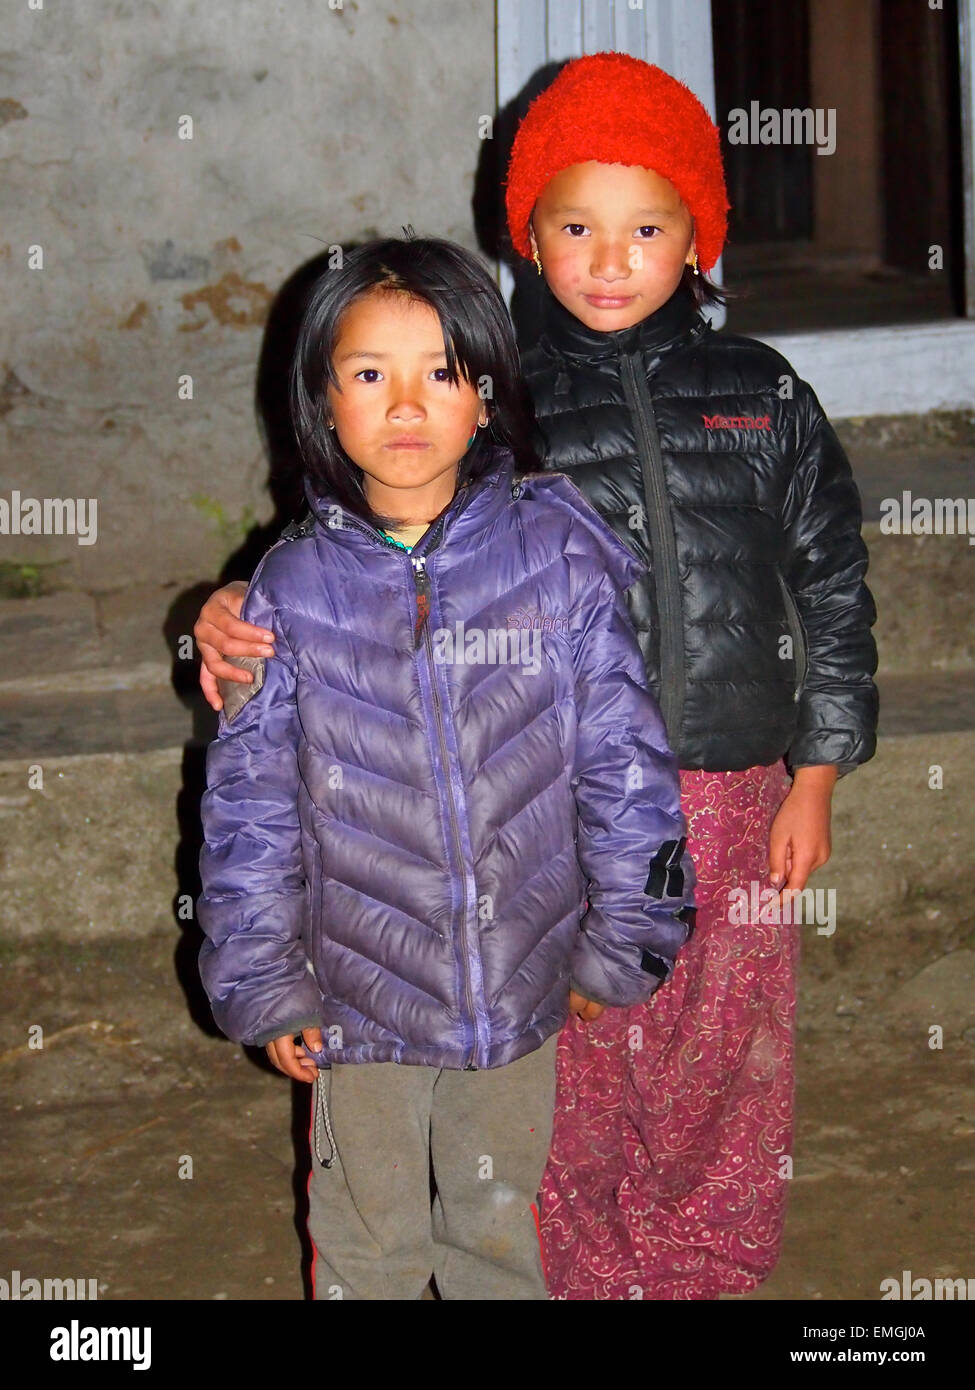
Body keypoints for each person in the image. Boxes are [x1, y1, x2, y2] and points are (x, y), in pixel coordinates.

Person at [194, 54, 879, 1300]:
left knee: (725, 1045)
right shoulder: (506, 406)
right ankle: (579, 1275)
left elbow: (834, 582)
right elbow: (376, 552)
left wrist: (820, 768)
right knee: (575, 1060)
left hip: (731, 788)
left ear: (699, 237)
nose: (611, 259)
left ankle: (704, 1270)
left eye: (648, 227)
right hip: (548, 803)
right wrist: (232, 608)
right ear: (530, 233)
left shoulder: (763, 392)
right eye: (576, 226)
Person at [195, 234, 694, 1302]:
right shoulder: (288, 591)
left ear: (487, 396)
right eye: (370, 374)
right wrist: (268, 984)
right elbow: (249, 815)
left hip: (519, 985)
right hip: (358, 999)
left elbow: (626, 760)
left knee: (497, 1227)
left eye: (441, 373)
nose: (407, 404)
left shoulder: (558, 555)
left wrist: (624, 943)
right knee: (369, 1242)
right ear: (324, 402)